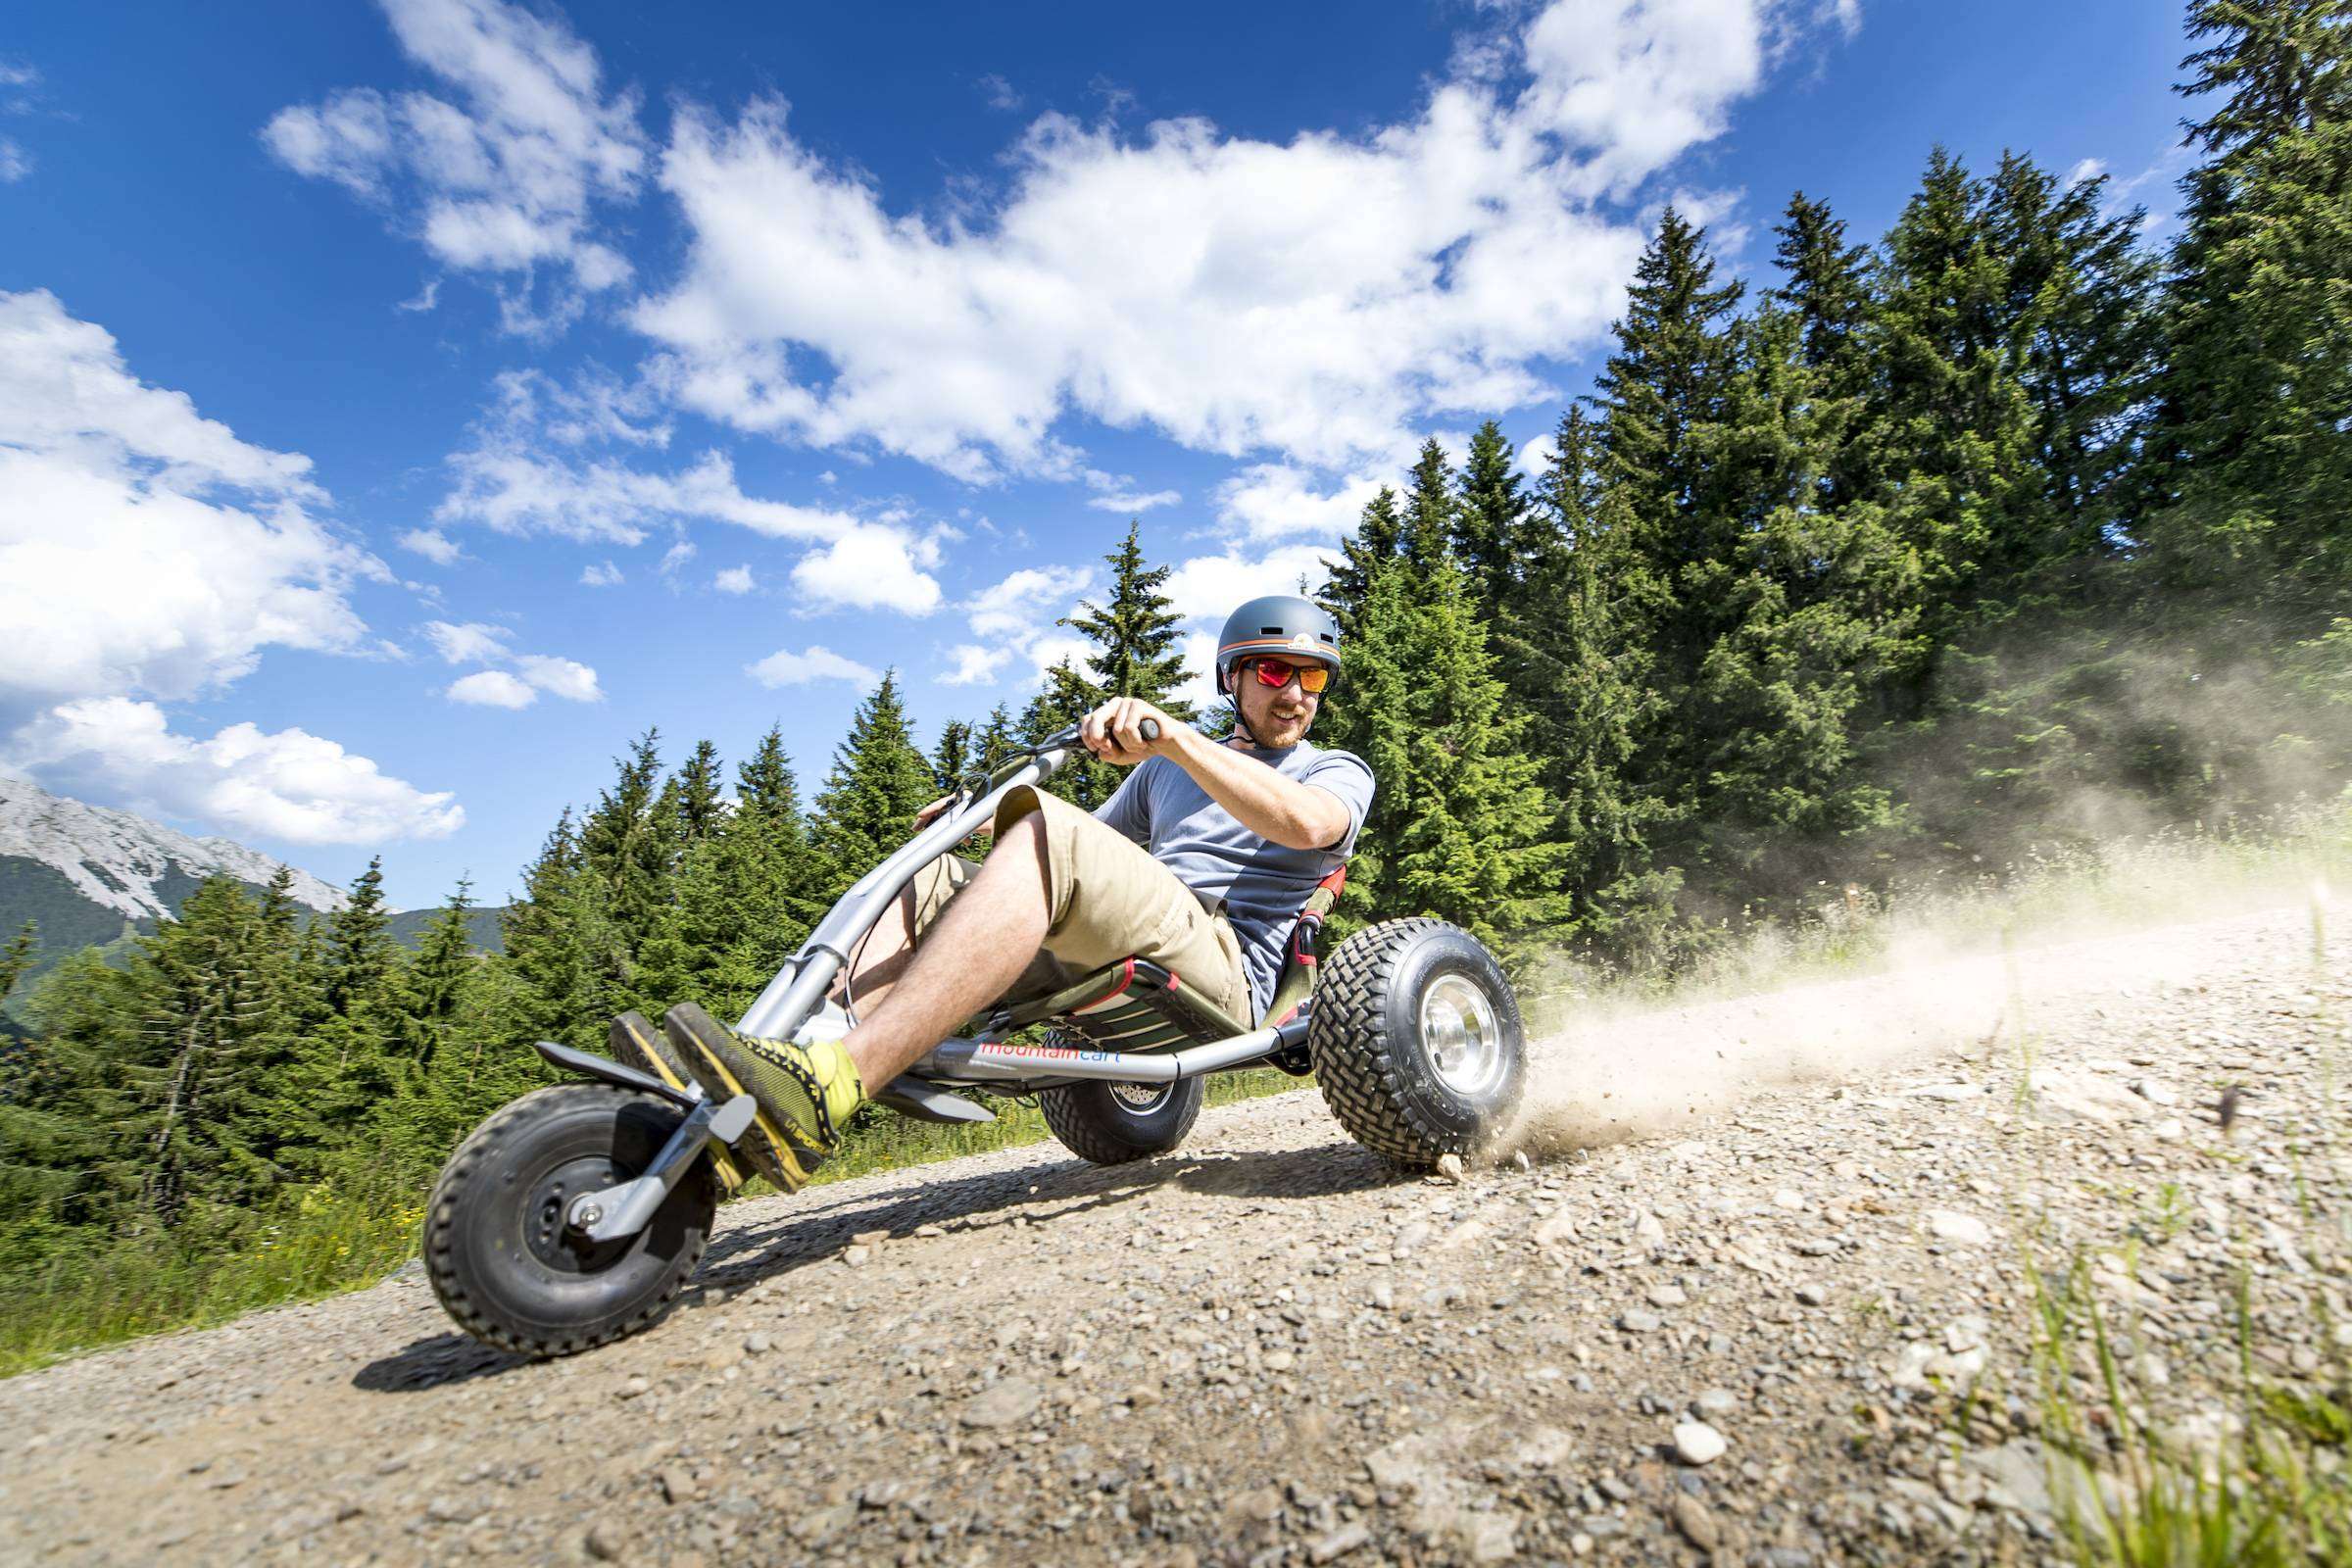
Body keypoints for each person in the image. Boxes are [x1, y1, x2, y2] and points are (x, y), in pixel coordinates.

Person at [643, 595, 1375, 1195]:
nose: (1296, 696)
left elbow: (1308, 825)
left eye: (1313, 680)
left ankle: (837, 1082)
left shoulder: (1332, 768)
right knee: (926, 874)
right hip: (1136, 940)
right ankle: (787, 1066)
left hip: (1224, 968)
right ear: (1234, 679)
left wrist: (1176, 738)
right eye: (1278, 673)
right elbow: (1081, 846)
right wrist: (981, 820)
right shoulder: (1162, 775)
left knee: (1044, 828)